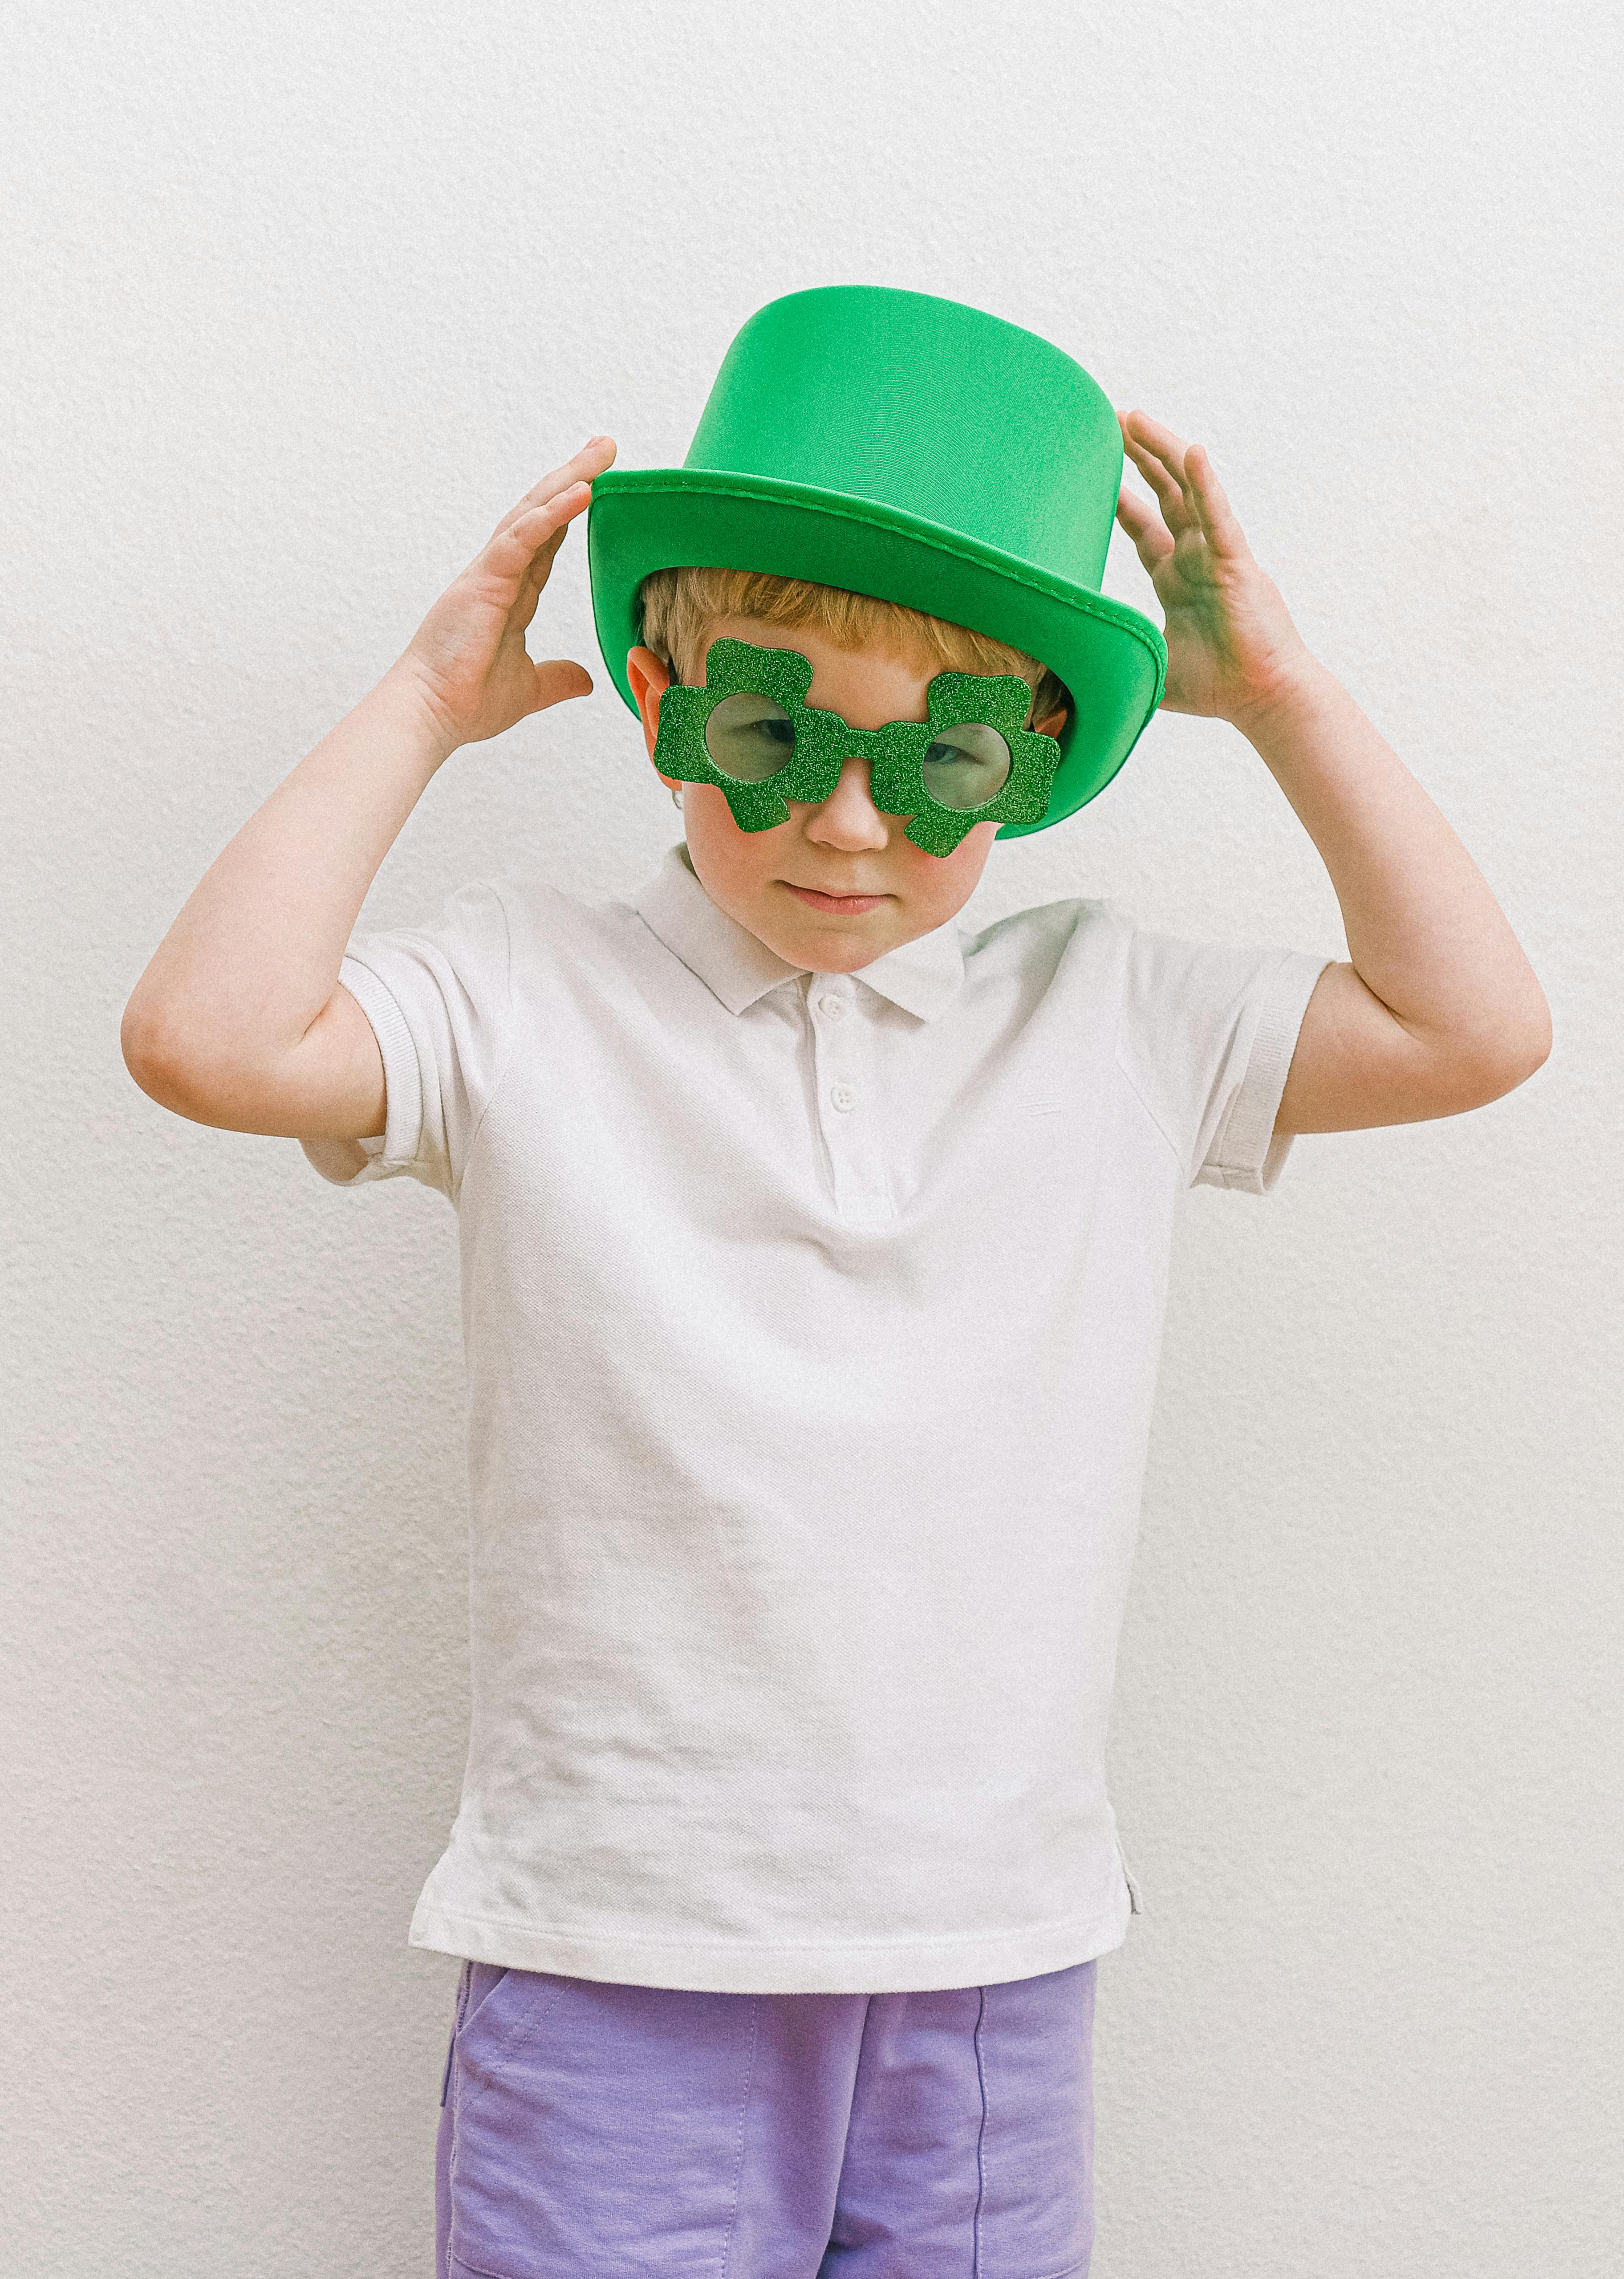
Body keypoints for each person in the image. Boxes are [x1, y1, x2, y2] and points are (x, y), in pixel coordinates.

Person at [122, 289, 1549, 2278]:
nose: (851, 824)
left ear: (1040, 762)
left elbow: (1478, 1028)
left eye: (944, 759)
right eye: (769, 734)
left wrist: (1286, 694)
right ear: (654, 692)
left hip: (988, 1968)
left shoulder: (1108, 1015)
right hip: (623, 1949)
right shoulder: (525, 992)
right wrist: (424, 705)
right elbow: (207, 1037)